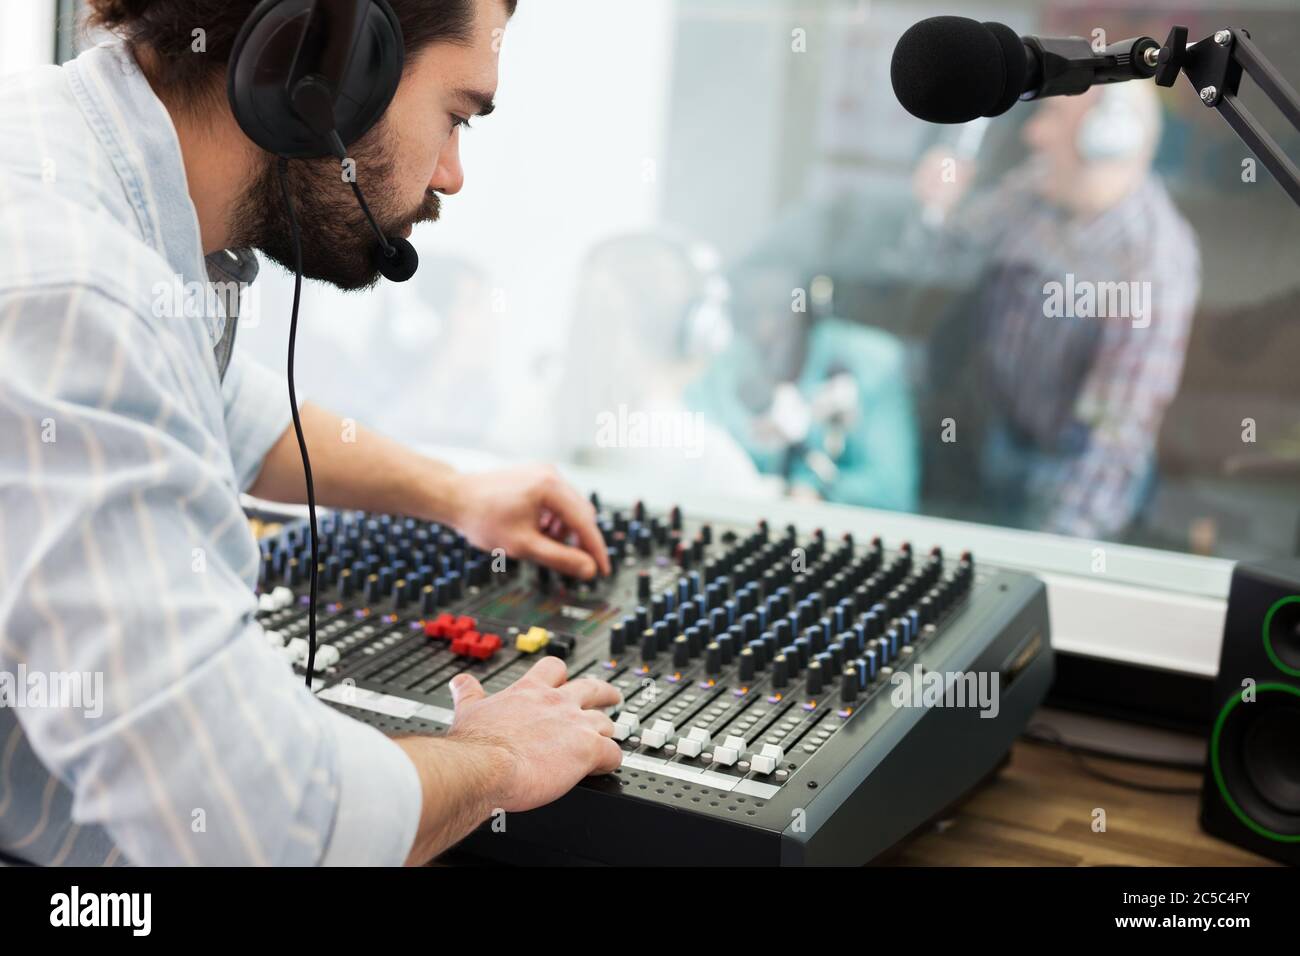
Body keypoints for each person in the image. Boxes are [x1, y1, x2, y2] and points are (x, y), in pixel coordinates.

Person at [0, 0, 625, 867]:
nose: (451, 175)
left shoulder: (76, 164)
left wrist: (457, 495)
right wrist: (500, 758)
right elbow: (263, 823)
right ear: (327, 68)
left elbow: (222, 410)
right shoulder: (75, 294)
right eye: (455, 115)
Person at [913, 82, 1202, 540]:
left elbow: (1112, 441)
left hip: (1067, 477)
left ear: (1108, 139)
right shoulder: (1037, 186)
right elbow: (950, 256)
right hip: (991, 433)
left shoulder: (1154, 262)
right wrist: (937, 206)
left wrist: (1052, 558)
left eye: (1052, 118)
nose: (1035, 134)